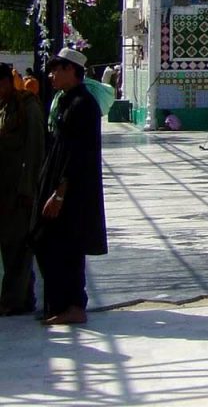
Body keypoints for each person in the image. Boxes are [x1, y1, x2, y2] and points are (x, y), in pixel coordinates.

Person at [33, 47, 107, 326]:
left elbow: (77, 154)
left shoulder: (82, 105)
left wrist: (60, 194)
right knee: (51, 242)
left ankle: (73, 305)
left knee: (66, 245)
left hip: (71, 192)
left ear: (71, 71)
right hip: (58, 184)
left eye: (57, 70)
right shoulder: (65, 101)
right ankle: (62, 303)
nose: (51, 75)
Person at [0, 62, 44, 315]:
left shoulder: (27, 107)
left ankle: (12, 300)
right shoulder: (5, 107)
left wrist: (28, 189)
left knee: (17, 246)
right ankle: (22, 297)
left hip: (19, 191)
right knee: (10, 245)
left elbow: (35, 150)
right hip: (5, 191)